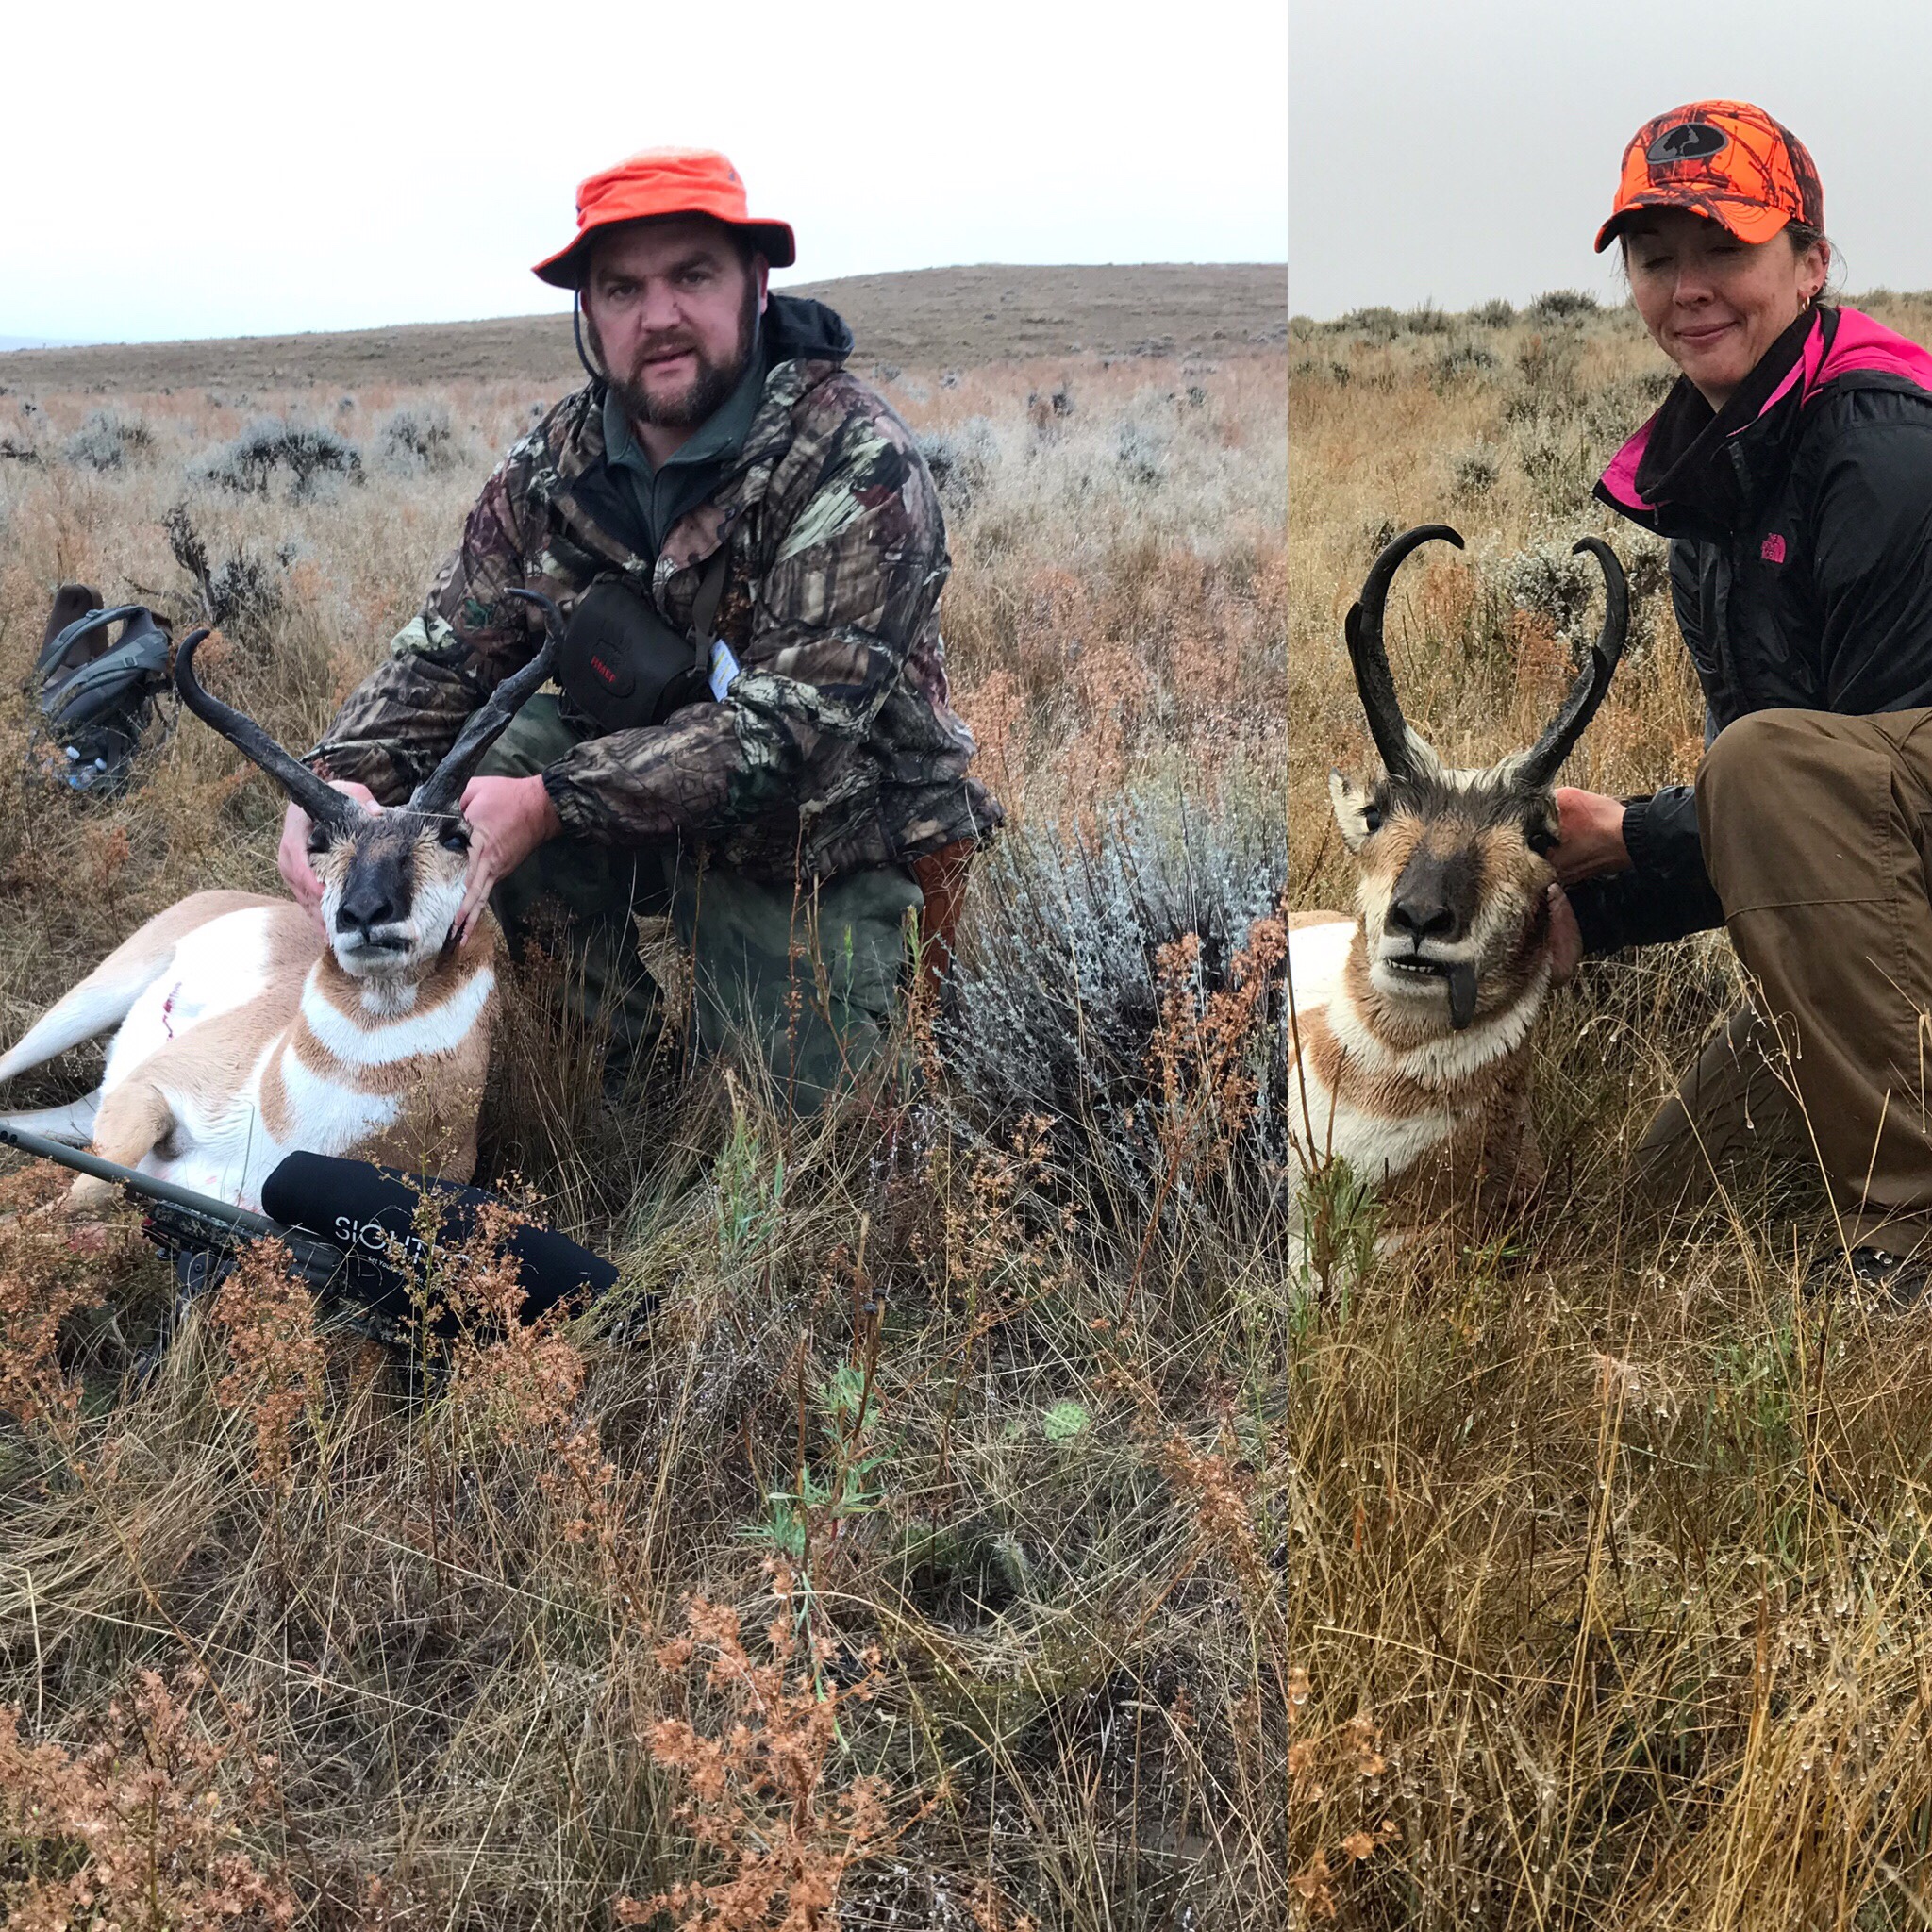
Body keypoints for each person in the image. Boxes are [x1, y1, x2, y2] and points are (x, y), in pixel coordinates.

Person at [280, 148, 998, 1107]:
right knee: (496, 760)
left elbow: (787, 735)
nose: (656, 315)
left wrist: (546, 803)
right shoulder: (555, 463)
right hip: (618, 785)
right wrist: (337, 775)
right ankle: (595, 1067)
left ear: (755, 283)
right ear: (589, 316)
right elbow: (446, 648)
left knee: (807, 1133)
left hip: (817, 826)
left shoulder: (853, 456)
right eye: (621, 288)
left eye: (691, 275)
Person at [1549, 99, 1932, 1291]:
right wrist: (1582, 908)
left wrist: (1629, 837)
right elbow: (1794, 827)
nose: (1687, 288)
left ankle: (1910, 1245)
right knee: (1651, 1206)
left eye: (1725, 249)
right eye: (1657, 261)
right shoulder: (1713, 472)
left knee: (1761, 764)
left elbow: (1831, 800)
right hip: (1878, 860)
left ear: (1811, 263)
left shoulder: (1879, 449)